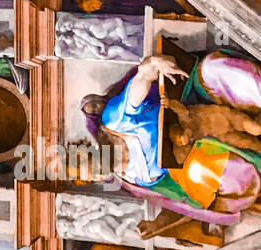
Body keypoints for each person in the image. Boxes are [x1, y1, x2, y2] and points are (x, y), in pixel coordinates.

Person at [80, 51, 261, 221]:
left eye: (86, 165)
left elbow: (143, 78)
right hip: (200, 152)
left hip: (189, 106)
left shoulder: (115, 120)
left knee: (212, 69)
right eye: (91, 178)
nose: (95, 174)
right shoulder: (132, 178)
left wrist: (154, 63)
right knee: (198, 171)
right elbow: (180, 194)